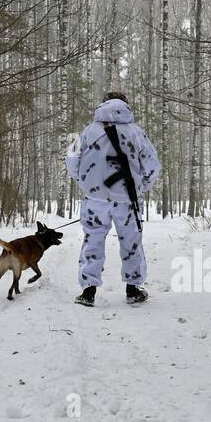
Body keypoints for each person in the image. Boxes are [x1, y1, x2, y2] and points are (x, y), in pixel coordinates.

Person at [65, 92, 161, 306]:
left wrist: (85, 182)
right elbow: (152, 166)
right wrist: (140, 187)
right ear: (126, 106)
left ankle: (88, 292)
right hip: (127, 202)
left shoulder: (89, 131)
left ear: (103, 104)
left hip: (95, 200)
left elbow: (71, 160)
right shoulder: (136, 133)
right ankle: (133, 289)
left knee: (93, 242)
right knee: (131, 243)